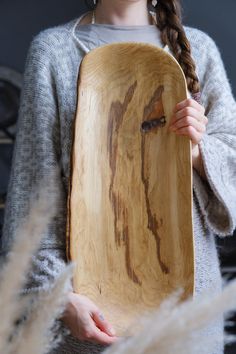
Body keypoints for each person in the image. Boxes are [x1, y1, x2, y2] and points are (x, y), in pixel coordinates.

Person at [1, 0, 236, 353]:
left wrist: (196, 151)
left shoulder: (197, 49)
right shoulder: (53, 51)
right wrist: (60, 298)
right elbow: (32, 194)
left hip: (188, 321)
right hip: (89, 320)